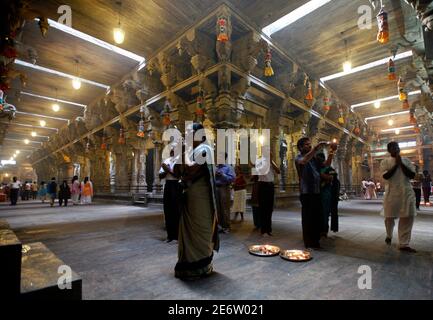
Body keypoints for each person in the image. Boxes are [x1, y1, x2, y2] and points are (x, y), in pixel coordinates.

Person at [175, 123, 219, 280]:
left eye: (189, 132)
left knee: (201, 229)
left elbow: (192, 169)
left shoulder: (205, 149)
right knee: (188, 231)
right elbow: (178, 171)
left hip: (200, 198)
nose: (186, 135)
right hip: (190, 196)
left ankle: (201, 265)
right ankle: (188, 264)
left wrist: (182, 152)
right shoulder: (192, 150)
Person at [295, 138, 337, 249]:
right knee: (308, 218)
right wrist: (316, 148)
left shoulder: (314, 159)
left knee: (317, 218)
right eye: (306, 145)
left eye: (310, 144)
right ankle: (309, 242)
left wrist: (332, 152)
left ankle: (316, 240)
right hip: (306, 192)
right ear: (300, 147)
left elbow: (326, 164)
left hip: (316, 191)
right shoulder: (299, 157)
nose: (309, 146)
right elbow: (304, 161)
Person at [380, 142, 417, 253]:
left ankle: (404, 244)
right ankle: (389, 235)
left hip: (406, 192)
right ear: (389, 150)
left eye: (397, 147)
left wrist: (401, 164)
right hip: (392, 192)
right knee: (389, 217)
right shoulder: (385, 162)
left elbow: (412, 175)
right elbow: (386, 176)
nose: (396, 148)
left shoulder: (406, 161)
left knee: (407, 217)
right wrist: (396, 165)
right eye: (393, 147)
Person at [256, 146, 280, 237]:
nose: (269, 152)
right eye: (267, 150)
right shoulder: (259, 161)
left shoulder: (271, 161)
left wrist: (271, 161)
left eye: (269, 150)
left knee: (269, 209)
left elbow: (278, 171)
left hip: (270, 186)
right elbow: (260, 171)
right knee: (263, 208)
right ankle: (263, 230)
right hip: (262, 185)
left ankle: (268, 229)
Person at [159, 148, 181, 242]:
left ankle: (178, 236)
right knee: (168, 210)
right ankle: (170, 236)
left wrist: (169, 170)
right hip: (168, 185)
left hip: (177, 185)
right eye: (172, 150)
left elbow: (179, 175)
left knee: (177, 210)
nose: (173, 151)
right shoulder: (166, 160)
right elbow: (160, 175)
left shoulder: (180, 161)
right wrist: (165, 171)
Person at [315, 153, 336, 237]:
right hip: (316, 192)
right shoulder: (316, 168)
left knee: (325, 212)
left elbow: (332, 177)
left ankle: (324, 230)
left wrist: (321, 175)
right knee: (318, 212)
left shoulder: (329, 168)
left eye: (319, 159)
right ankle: (318, 229)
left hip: (325, 192)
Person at [215, 153, 235, 233]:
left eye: (220, 157)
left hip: (224, 188)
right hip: (216, 188)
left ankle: (226, 226)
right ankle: (219, 226)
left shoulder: (228, 167)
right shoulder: (215, 167)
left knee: (225, 208)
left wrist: (222, 175)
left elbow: (232, 178)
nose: (218, 158)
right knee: (218, 208)